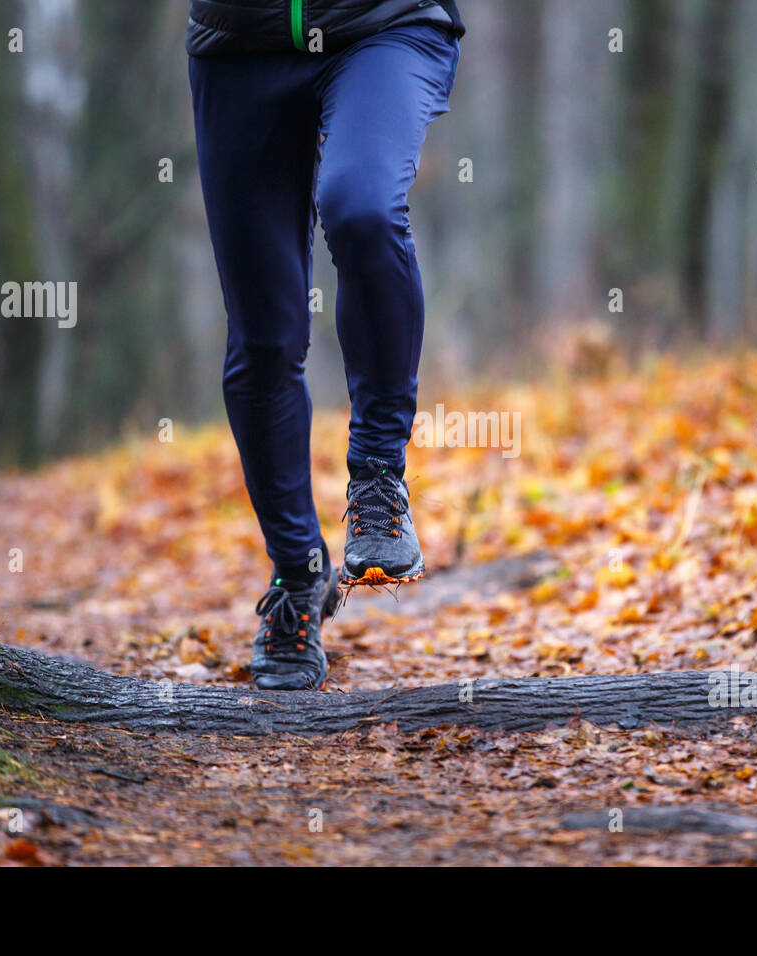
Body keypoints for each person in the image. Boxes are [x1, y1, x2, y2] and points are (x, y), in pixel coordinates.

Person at [187, 0, 464, 690]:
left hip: (381, 22)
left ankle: (377, 479)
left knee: (362, 207)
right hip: (238, 42)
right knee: (265, 338)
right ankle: (298, 576)